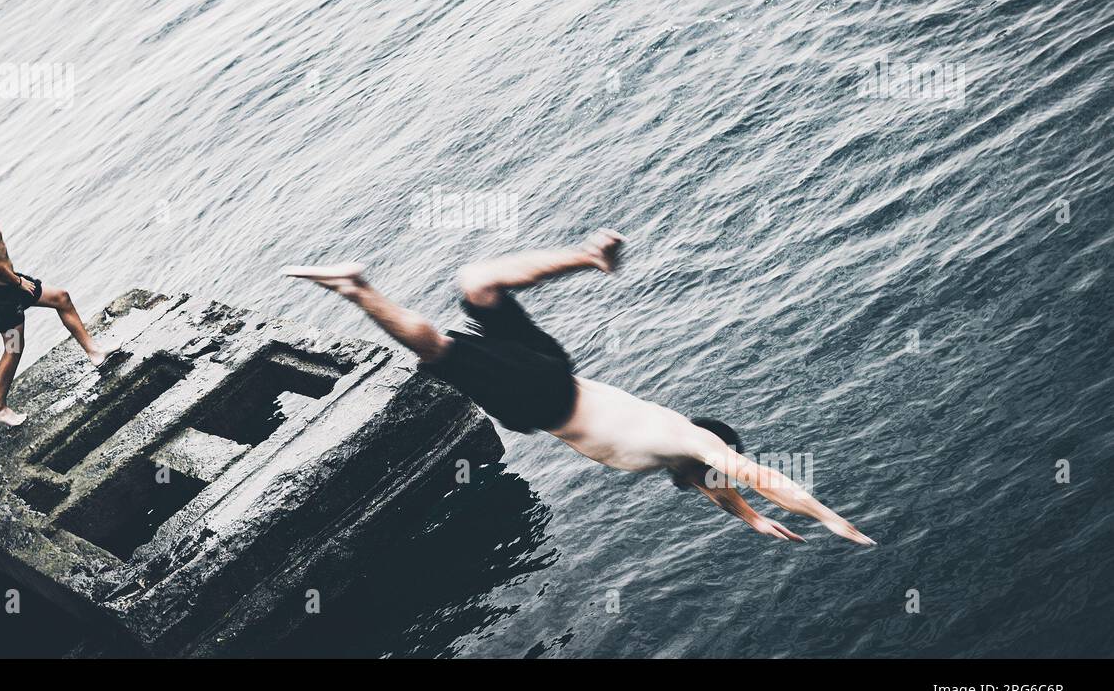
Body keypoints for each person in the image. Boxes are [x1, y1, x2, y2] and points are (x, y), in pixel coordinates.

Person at [285, 231, 875, 544]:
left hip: (552, 370)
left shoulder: (687, 454)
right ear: (716, 452)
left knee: (478, 285)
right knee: (436, 348)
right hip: (541, 400)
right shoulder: (695, 447)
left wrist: (750, 521)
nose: (701, 485)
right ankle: (357, 288)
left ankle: (590, 257)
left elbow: (721, 491)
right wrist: (829, 519)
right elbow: (756, 477)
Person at [0, 175, 118, 426]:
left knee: (61, 298)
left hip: (1, 288)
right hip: (6, 290)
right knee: (13, 348)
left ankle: (94, 351)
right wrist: (18, 283)